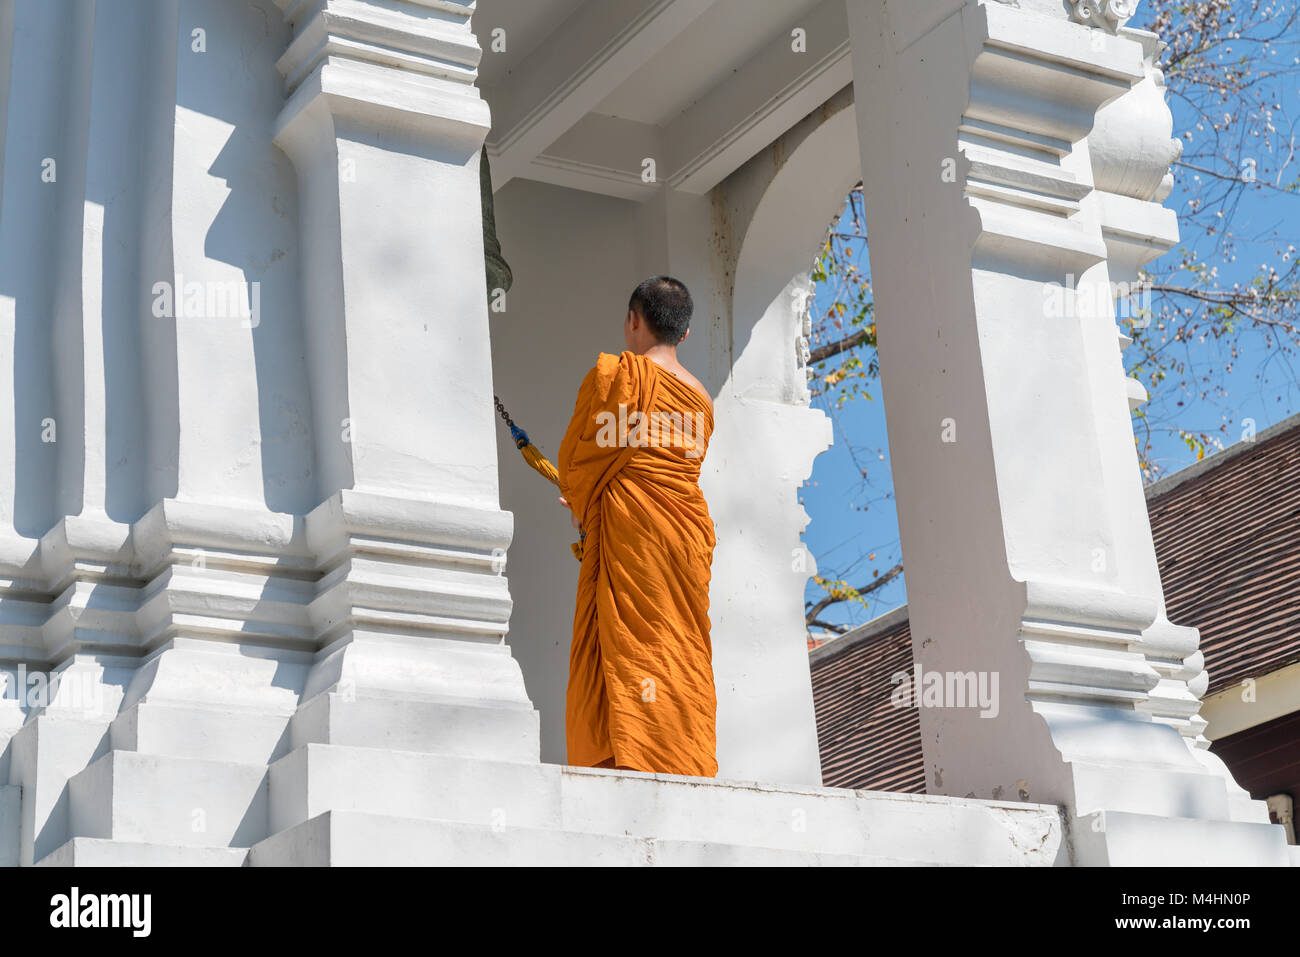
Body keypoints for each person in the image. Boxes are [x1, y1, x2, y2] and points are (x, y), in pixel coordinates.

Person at [557, 276, 718, 776]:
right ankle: (677, 756)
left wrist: (582, 495)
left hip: (631, 533)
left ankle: (620, 756)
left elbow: (577, 461)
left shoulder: (614, 376)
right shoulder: (702, 402)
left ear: (633, 320)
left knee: (623, 642)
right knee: (676, 644)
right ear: (685, 334)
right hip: (681, 538)